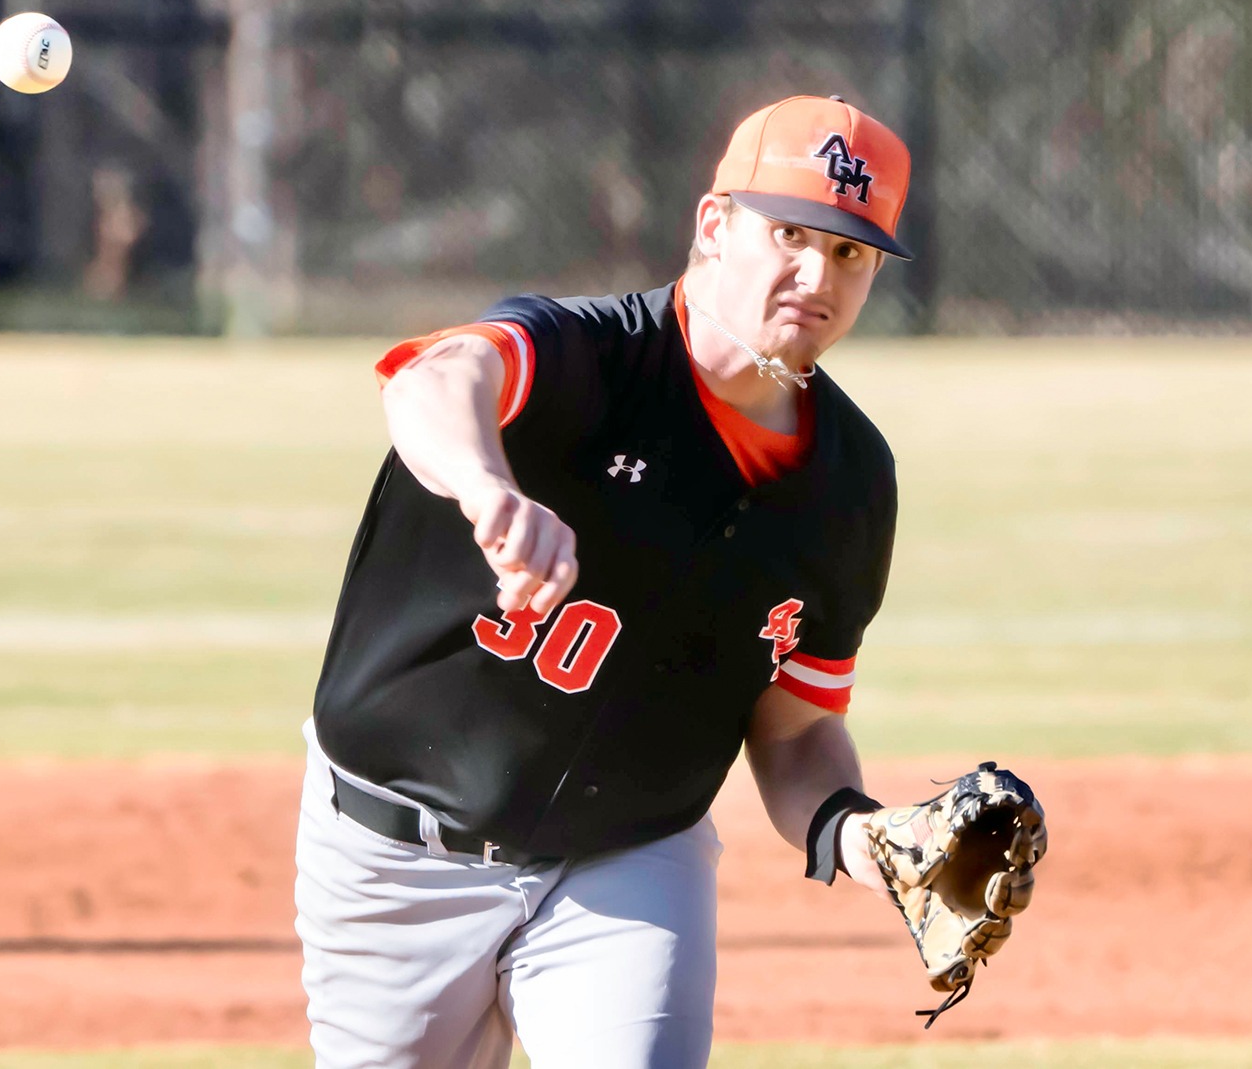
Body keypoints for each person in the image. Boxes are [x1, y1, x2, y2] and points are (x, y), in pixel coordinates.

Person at [296, 95, 916, 1069]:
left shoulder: (848, 482)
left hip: (627, 859)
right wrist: (486, 484)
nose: (813, 273)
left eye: (848, 253)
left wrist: (860, 836)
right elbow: (429, 382)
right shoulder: (587, 356)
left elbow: (794, 729)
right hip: (395, 860)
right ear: (713, 226)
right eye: (789, 233)